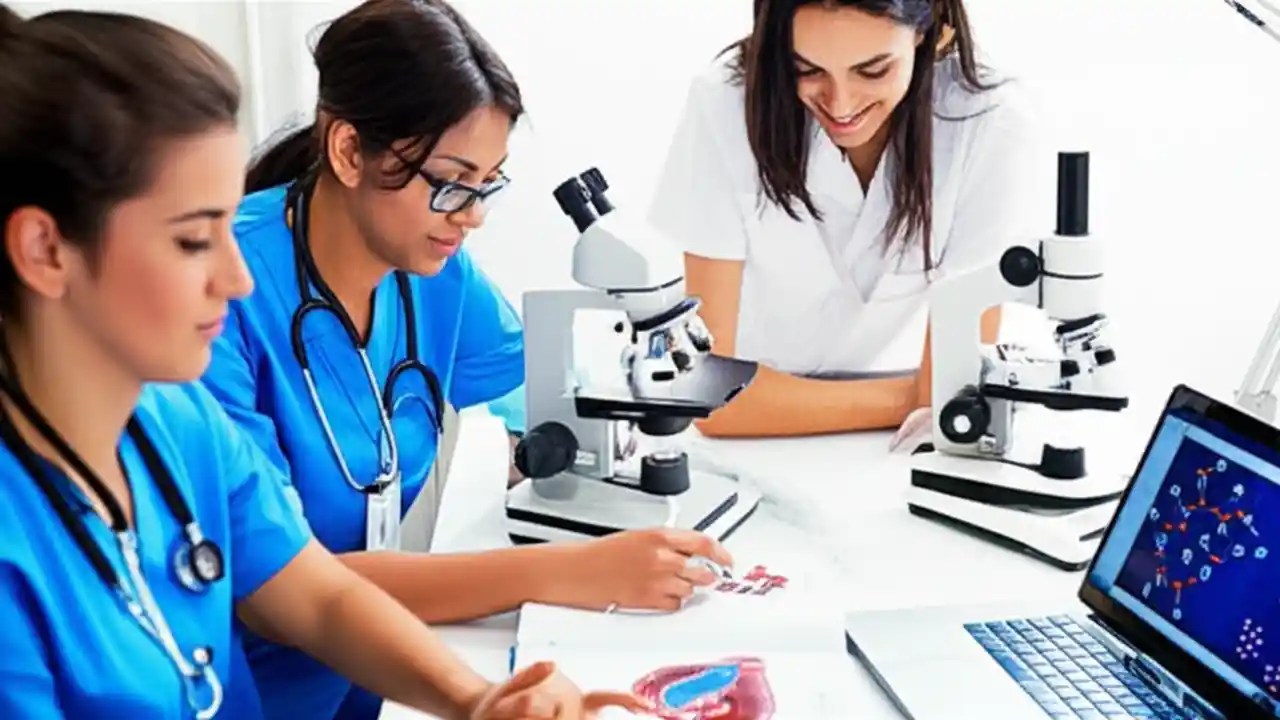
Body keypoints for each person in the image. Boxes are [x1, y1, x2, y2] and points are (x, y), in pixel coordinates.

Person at [0, 7, 648, 720]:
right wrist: (555, 574)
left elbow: (317, 597)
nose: (238, 277)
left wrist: (481, 700)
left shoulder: (175, 423)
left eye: (226, 223)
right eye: (192, 240)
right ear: (44, 249)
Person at [198, 1, 734, 717]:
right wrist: (572, 569)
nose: (473, 214)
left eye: (489, 184)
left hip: (391, 675)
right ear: (350, 150)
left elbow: (536, 397)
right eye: (452, 183)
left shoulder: (435, 274)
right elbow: (289, 587)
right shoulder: (221, 295)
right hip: (266, 696)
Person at [648, 0, 1051, 439]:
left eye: (873, 70)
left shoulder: (989, 122)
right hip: (752, 449)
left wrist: (936, 396)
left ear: (935, 29)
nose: (840, 105)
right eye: (806, 69)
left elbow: (957, 378)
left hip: (898, 444)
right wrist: (914, 395)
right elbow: (709, 393)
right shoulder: (725, 101)